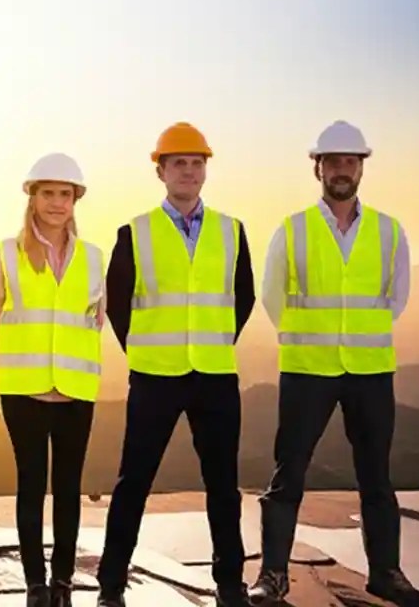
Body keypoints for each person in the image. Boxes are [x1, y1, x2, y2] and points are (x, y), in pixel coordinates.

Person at [246, 121, 419, 607]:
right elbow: (271, 294)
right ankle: (273, 575)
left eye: (351, 161)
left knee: (376, 475)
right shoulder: (293, 228)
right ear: (318, 168)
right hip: (308, 368)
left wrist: (357, 333)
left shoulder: (389, 231)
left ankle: (386, 574)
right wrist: (300, 336)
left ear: (361, 168)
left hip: (369, 369)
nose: (342, 170)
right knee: (289, 473)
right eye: (333, 162)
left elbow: (397, 296)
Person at [96, 122, 255, 607]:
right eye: (179, 163)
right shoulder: (135, 232)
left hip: (214, 374)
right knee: (133, 482)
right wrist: (144, 351)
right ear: (161, 171)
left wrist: (215, 343)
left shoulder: (232, 231)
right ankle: (111, 585)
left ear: (206, 170)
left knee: (223, 487)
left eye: (197, 163)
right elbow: (117, 304)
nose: (189, 171)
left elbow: (243, 297)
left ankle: (230, 585)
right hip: (155, 377)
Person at [0, 153, 105, 607]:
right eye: (47, 193)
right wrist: (5, 360)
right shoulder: (8, 253)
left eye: (64, 194)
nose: (56, 203)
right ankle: (35, 583)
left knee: (68, 489)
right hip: (24, 392)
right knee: (31, 484)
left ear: (75, 201)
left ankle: (63, 582)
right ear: (32, 198)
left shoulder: (92, 258)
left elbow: (95, 321)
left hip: (74, 390)